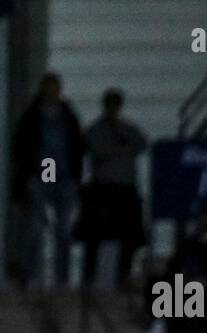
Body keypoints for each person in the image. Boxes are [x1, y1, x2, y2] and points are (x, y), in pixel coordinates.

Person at [9, 73, 83, 290]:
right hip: (44, 171)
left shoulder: (67, 114)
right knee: (36, 227)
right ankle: (33, 274)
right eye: (50, 88)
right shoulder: (32, 115)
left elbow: (76, 144)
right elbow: (21, 146)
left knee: (63, 230)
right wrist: (29, 175)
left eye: (56, 88)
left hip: (63, 175)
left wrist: (75, 175)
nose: (54, 92)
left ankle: (62, 278)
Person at [79, 88, 147, 290]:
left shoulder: (127, 128)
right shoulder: (95, 129)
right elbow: (98, 150)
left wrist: (121, 138)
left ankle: (123, 275)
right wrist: (120, 148)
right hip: (104, 189)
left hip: (126, 189)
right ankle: (89, 278)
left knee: (129, 236)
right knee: (95, 236)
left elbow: (142, 143)